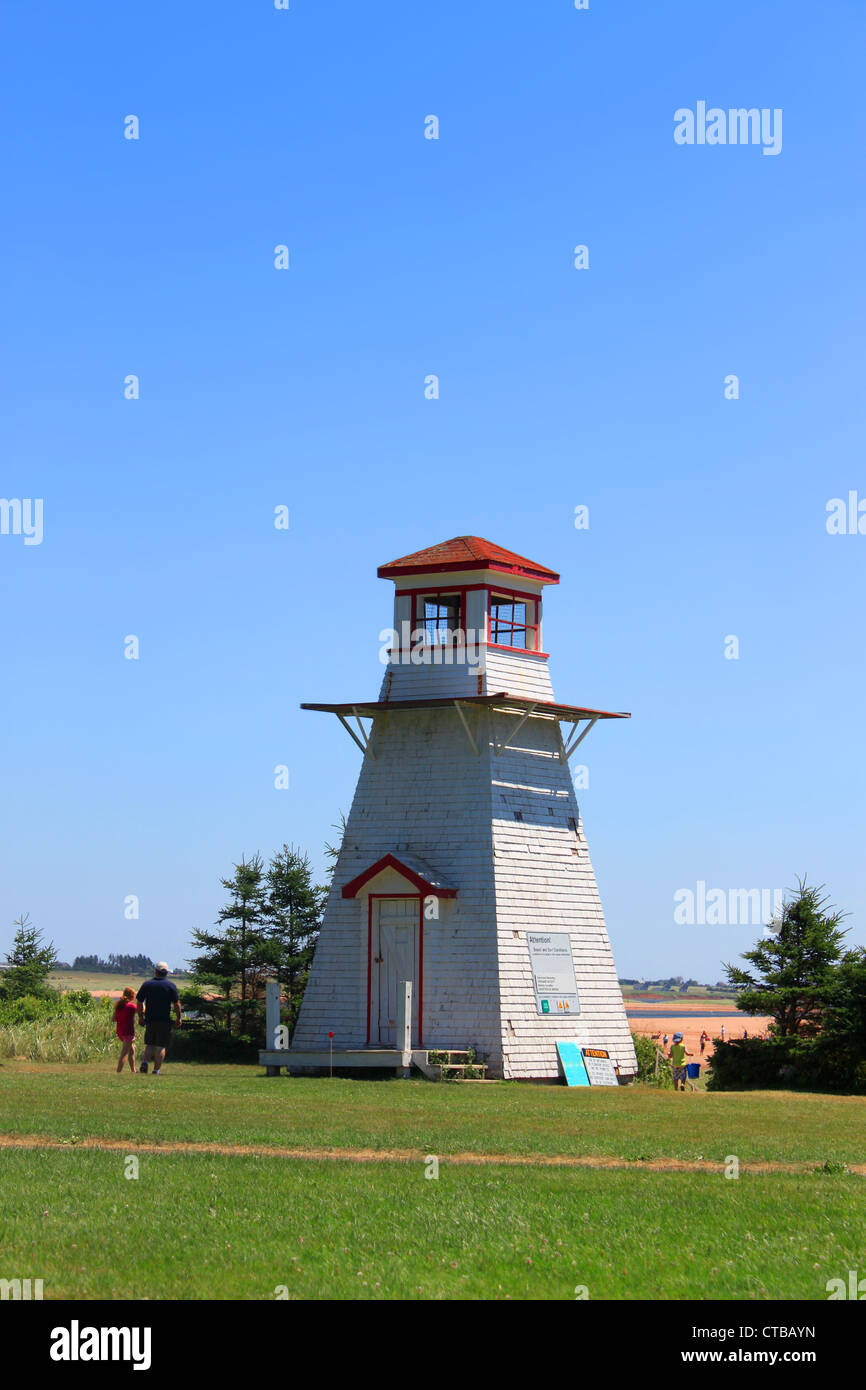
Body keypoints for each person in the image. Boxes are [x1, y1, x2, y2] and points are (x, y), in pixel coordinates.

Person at [137, 962, 181, 1077]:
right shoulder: (170, 986)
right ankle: (156, 1070)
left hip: (150, 1019)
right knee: (160, 1046)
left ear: (155, 971)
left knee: (149, 1044)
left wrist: (141, 1016)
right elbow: (176, 1004)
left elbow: (139, 1001)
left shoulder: (147, 984)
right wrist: (178, 1018)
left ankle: (145, 1062)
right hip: (164, 1020)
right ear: (166, 973)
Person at [113, 987, 138, 1074]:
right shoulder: (131, 1006)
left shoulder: (119, 1005)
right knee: (124, 1053)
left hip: (120, 1031)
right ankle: (118, 1071)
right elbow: (142, 1011)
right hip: (128, 1032)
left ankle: (133, 1070)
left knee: (131, 1050)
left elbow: (113, 1018)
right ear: (132, 996)